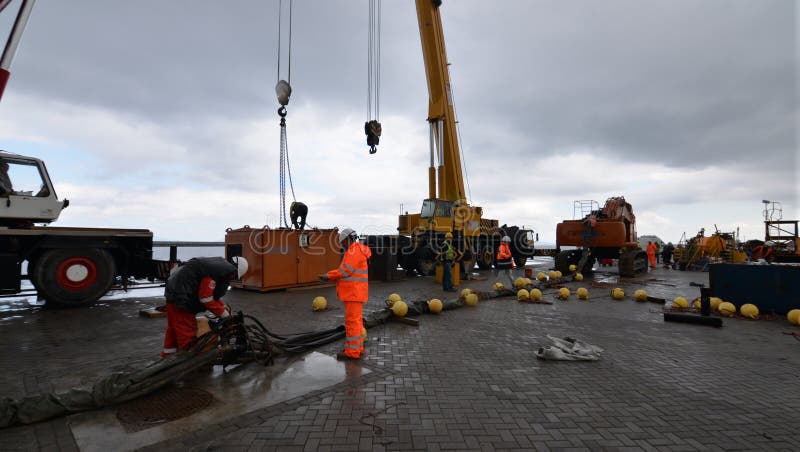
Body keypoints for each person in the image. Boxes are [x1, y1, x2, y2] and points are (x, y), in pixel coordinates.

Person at [161, 256, 248, 358]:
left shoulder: (215, 266)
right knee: (187, 332)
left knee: (173, 330)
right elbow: (205, 298)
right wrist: (224, 314)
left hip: (173, 295)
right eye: (234, 277)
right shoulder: (219, 271)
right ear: (234, 270)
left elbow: (210, 295)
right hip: (181, 300)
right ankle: (187, 363)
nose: (232, 279)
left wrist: (222, 307)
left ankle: (166, 359)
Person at [319, 228, 372, 360]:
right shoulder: (359, 250)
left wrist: (328, 276)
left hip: (353, 294)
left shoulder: (353, 251)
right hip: (357, 293)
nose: (342, 245)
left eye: (343, 242)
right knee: (357, 322)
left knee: (352, 323)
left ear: (349, 239)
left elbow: (344, 271)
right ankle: (358, 349)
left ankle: (352, 352)